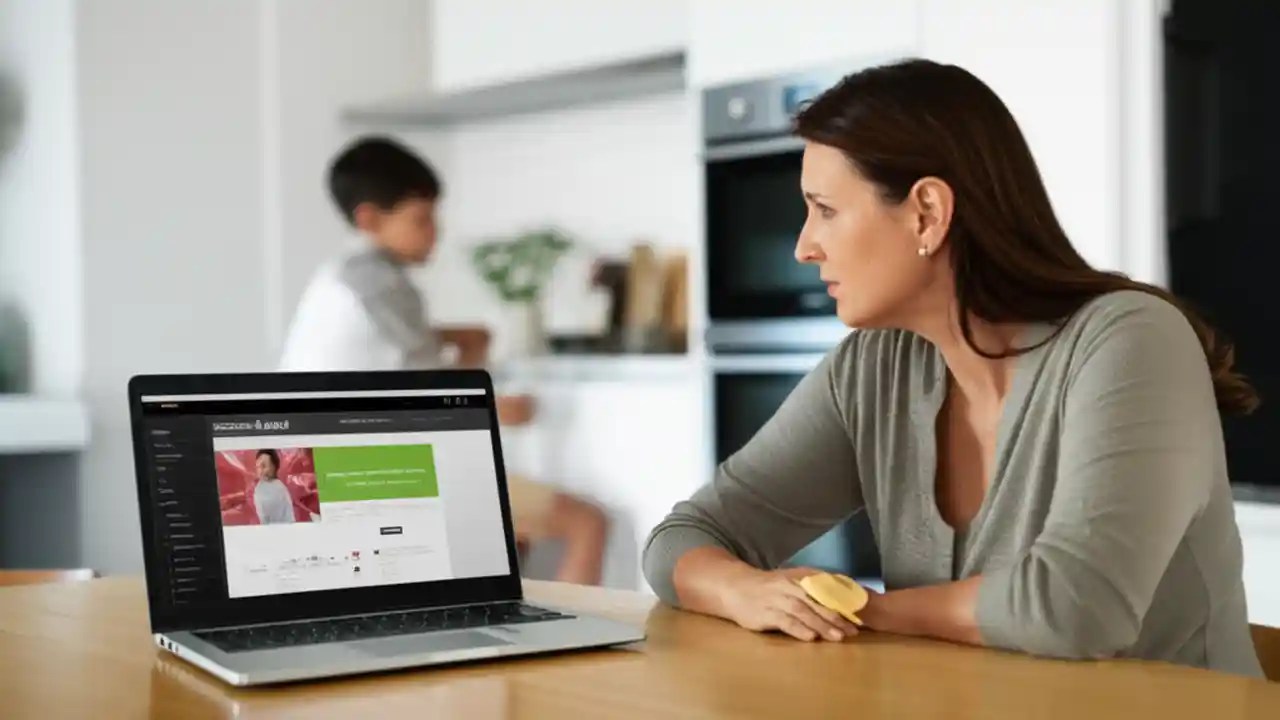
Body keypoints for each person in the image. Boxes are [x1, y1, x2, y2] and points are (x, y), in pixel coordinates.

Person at [643, 59, 1263, 677]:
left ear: (927, 213)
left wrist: (861, 610)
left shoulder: (1129, 341)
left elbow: (1080, 605)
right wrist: (743, 593)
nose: (805, 246)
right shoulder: (874, 369)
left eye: (825, 209)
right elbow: (686, 536)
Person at [280, 136, 608, 585]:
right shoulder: (384, 284)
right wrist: (501, 409)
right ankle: (573, 653)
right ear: (370, 219)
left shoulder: (340, 278)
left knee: (511, 537)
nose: (435, 230)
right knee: (586, 523)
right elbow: (438, 403)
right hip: (363, 478)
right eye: (421, 218)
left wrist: (460, 342)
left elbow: (397, 370)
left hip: (312, 469)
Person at [253, 450, 295, 525]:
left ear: (274, 467)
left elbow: (289, 516)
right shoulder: (258, 489)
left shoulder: (280, 488)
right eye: (258, 467)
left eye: (264, 466)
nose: (261, 471)